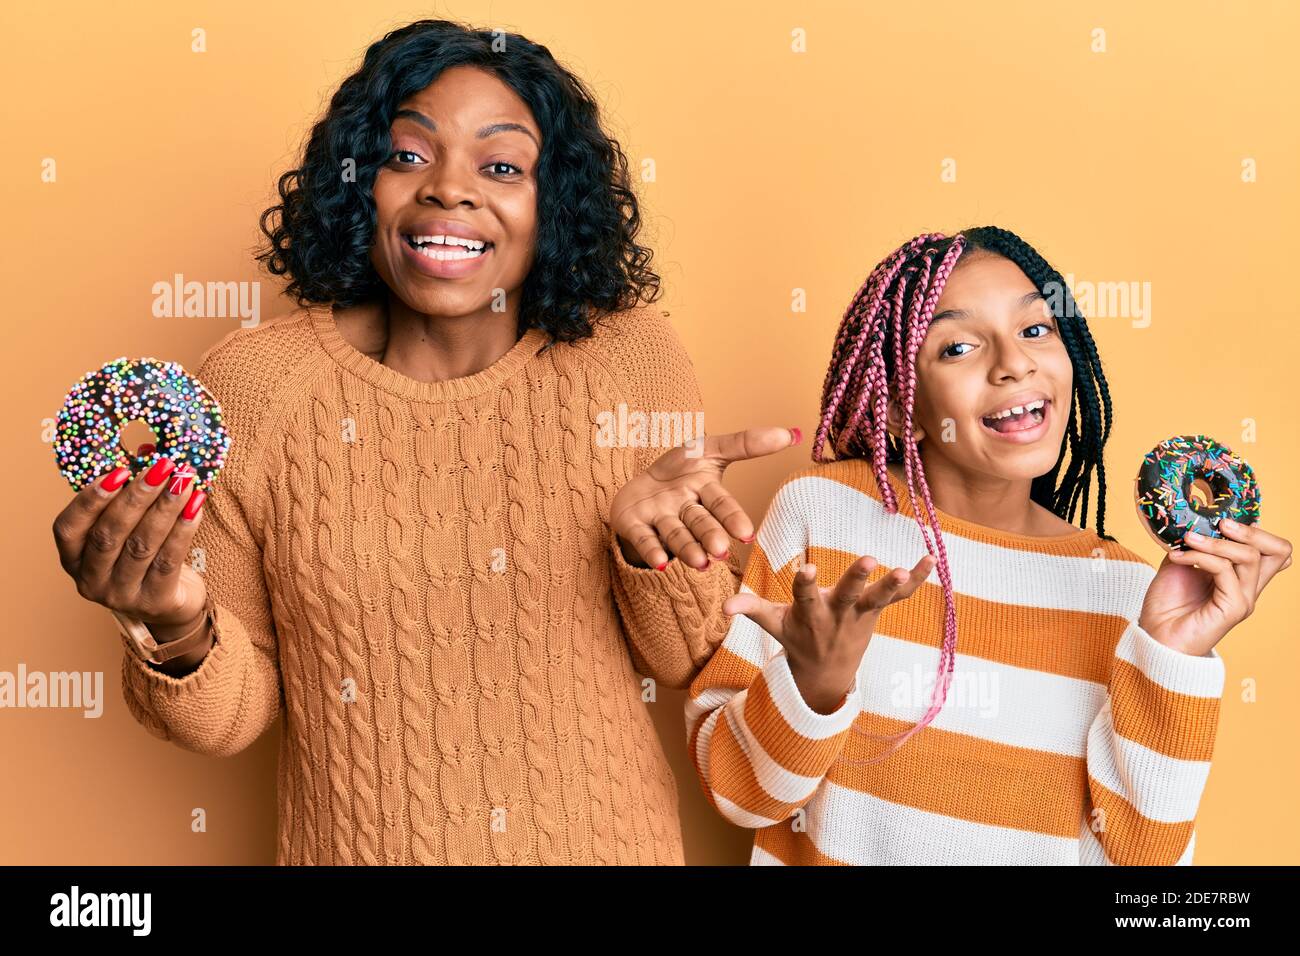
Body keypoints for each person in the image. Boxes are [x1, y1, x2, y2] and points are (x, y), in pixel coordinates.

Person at [50, 19, 797, 865]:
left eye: (503, 166)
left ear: (552, 205)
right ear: (358, 184)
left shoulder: (628, 361)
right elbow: (230, 721)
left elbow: (688, 657)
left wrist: (649, 546)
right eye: (407, 156)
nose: (449, 190)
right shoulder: (256, 386)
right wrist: (174, 625)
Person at [685, 226, 1292, 865]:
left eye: (1036, 330)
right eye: (959, 346)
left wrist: (1171, 657)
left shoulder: (1128, 594)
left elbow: (1143, 864)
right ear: (899, 405)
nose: (1014, 363)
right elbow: (738, 797)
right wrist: (813, 686)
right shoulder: (825, 516)